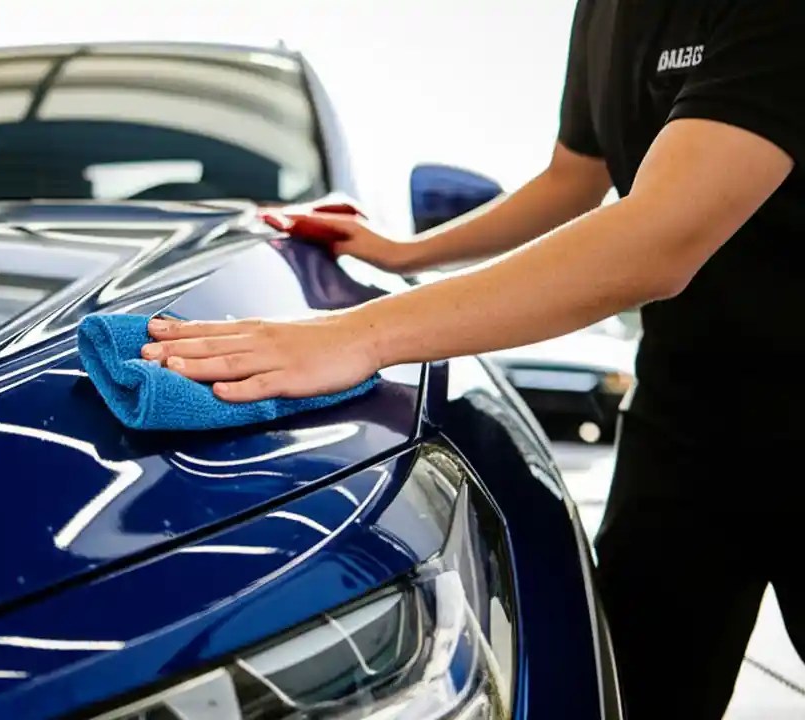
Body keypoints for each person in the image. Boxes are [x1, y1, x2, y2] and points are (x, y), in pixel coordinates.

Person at [141, 1, 805, 717]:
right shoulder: (607, 11)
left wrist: (353, 335)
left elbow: (660, 238)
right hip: (688, 412)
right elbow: (572, 180)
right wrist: (404, 252)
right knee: (641, 685)